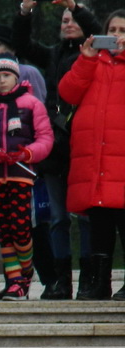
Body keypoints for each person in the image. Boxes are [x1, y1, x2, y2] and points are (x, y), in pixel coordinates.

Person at [15, 0, 100, 298]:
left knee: (87, 217)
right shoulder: (53, 54)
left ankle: (90, 279)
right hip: (55, 147)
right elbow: (22, 44)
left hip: (86, 146)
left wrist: (76, 7)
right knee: (59, 217)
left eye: (72, 19)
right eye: (63, 20)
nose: (68, 23)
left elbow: (97, 30)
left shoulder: (98, 52)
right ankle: (60, 281)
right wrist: (25, 12)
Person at [0, 54, 54, 300]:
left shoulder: (31, 103)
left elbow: (45, 137)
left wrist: (27, 153)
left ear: (16, 76)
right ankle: (15, 283)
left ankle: (25, 274)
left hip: (21, 173)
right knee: (4, 229)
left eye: (6, 75)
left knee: (20, 228)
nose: (1, 81)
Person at [59, 15, 125, 299]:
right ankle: (100, 283)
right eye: (111, 30)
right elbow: (67, 92)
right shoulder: (92, 62)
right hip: (95, 159)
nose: (117, 35)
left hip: (120, 159)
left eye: (123, 30)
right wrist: (85, 59)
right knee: (100, 224)